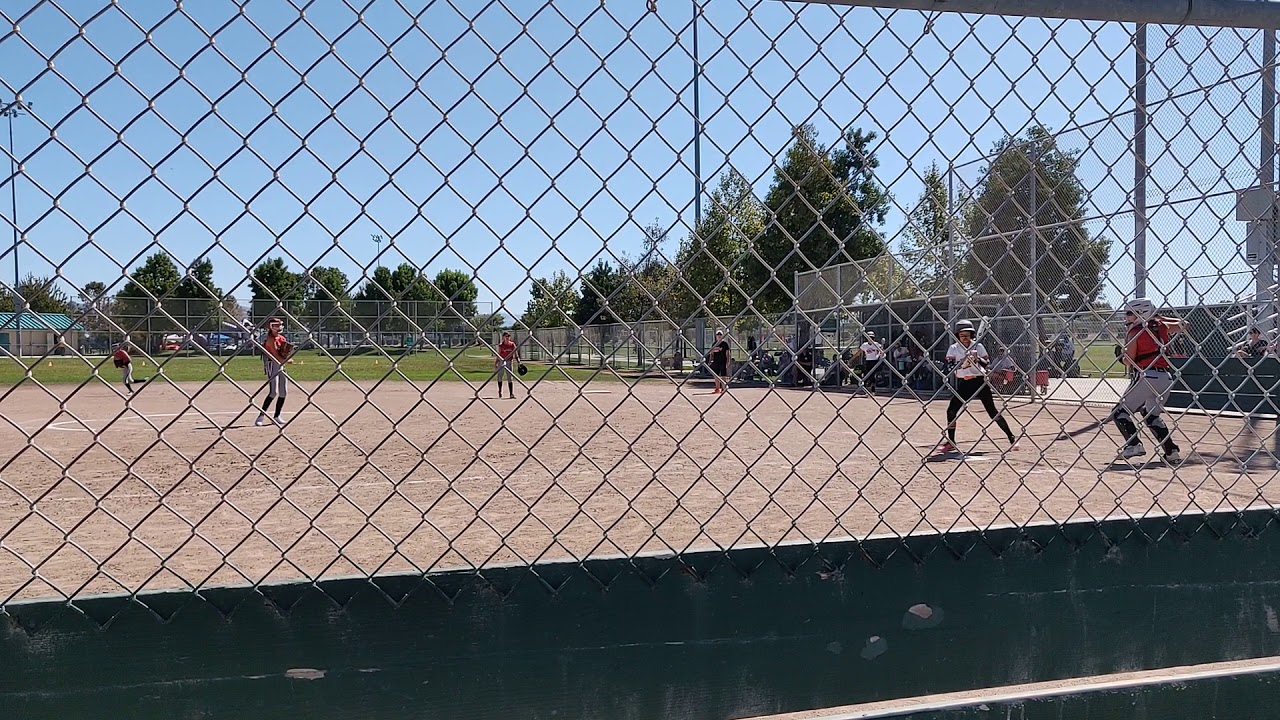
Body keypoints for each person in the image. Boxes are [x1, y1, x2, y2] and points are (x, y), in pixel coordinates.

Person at [1112, 298, 1182, 463]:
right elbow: (1183, 324)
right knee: (1151, 415)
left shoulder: (1134, 331)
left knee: (1120, 412)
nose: (1126, 317)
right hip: (1165, 378)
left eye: (1129, 313)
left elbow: (1129, 360)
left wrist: (1119, 356)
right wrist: (1158, 319)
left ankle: (1134, 444)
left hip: (1145, 375)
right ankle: (1171, 451)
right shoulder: (1161, 326)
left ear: (1140, 313)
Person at [936, 319, 1020, 454]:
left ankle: (1012, 438)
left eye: (967, 335)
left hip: (980, 382)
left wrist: (977, 359)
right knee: (951, 410)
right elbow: (949, 367)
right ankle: (951, 441)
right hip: (965, 383)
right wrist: (964, 362)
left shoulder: (978, 347)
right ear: (957, 336)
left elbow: (987, 363)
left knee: (992, 411)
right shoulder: (953, 349)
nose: (964, 337)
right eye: (962, 335)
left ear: (972, 335)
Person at [255, 318, 293, 427]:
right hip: (272, 364)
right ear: (271, 327)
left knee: (283, 392)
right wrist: (286, 360)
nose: (279, 327)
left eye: (280, 325)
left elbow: (283, 354)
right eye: (276, 325)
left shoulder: (281, 338)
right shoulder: (270, 339)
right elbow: (275, 356)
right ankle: (261, 416)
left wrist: (286, 357)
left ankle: (276, 416)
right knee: (273, 392)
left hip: (281, 365)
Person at [495, 330, 519, 398]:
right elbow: (498, 355)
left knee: (510, 378)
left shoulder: (512, 344)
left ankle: (511, 394)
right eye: (506, 336)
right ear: (503, 337)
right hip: (501, 361)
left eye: (508, 336)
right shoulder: (501, 345)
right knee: (500, 377)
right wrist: (496, 363)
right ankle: (500, 391)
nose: (507, 337)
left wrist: (518, 361)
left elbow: (516, 354)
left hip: (509, 361)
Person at [708, 329, 730, 394]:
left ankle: (723, 388)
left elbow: (728, 353)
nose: (719, 336)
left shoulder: (725, 344)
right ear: (716, 336)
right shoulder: (714, 344)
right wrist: (710, 360)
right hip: (716, 361)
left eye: (720, 335)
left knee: (723, 376)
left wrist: (728, 361)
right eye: (718, 335)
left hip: (723, 361)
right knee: (716, 376)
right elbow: (711, 353)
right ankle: (717, 388)